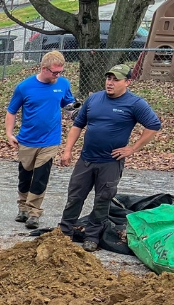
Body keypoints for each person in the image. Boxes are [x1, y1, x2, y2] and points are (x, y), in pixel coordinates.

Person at [58, 63, 162, 252]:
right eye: (108, 78)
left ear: (128, 82)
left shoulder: (135, 103)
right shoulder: (94, 99)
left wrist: (132, 148)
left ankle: (92, 236)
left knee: (102, 200)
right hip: (86, 159)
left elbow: (153, 126)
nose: (110, 83)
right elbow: (78, 125)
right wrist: (67, 150)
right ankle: (64, 232)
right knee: (74, 197)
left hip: (110, 163)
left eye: (116, 79)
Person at [5, 51, 75, 229]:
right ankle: (22, 207)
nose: (57, 75)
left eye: (60, 72)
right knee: (25, 176)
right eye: (54, 72)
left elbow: (70, 106)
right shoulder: (25, 87)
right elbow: (11, 111)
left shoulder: (63, 84)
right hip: (27, 140)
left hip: (50, 141)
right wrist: (9, 133)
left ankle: (34, 212)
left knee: (41, 177)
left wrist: (82, 113)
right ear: (43, 68)